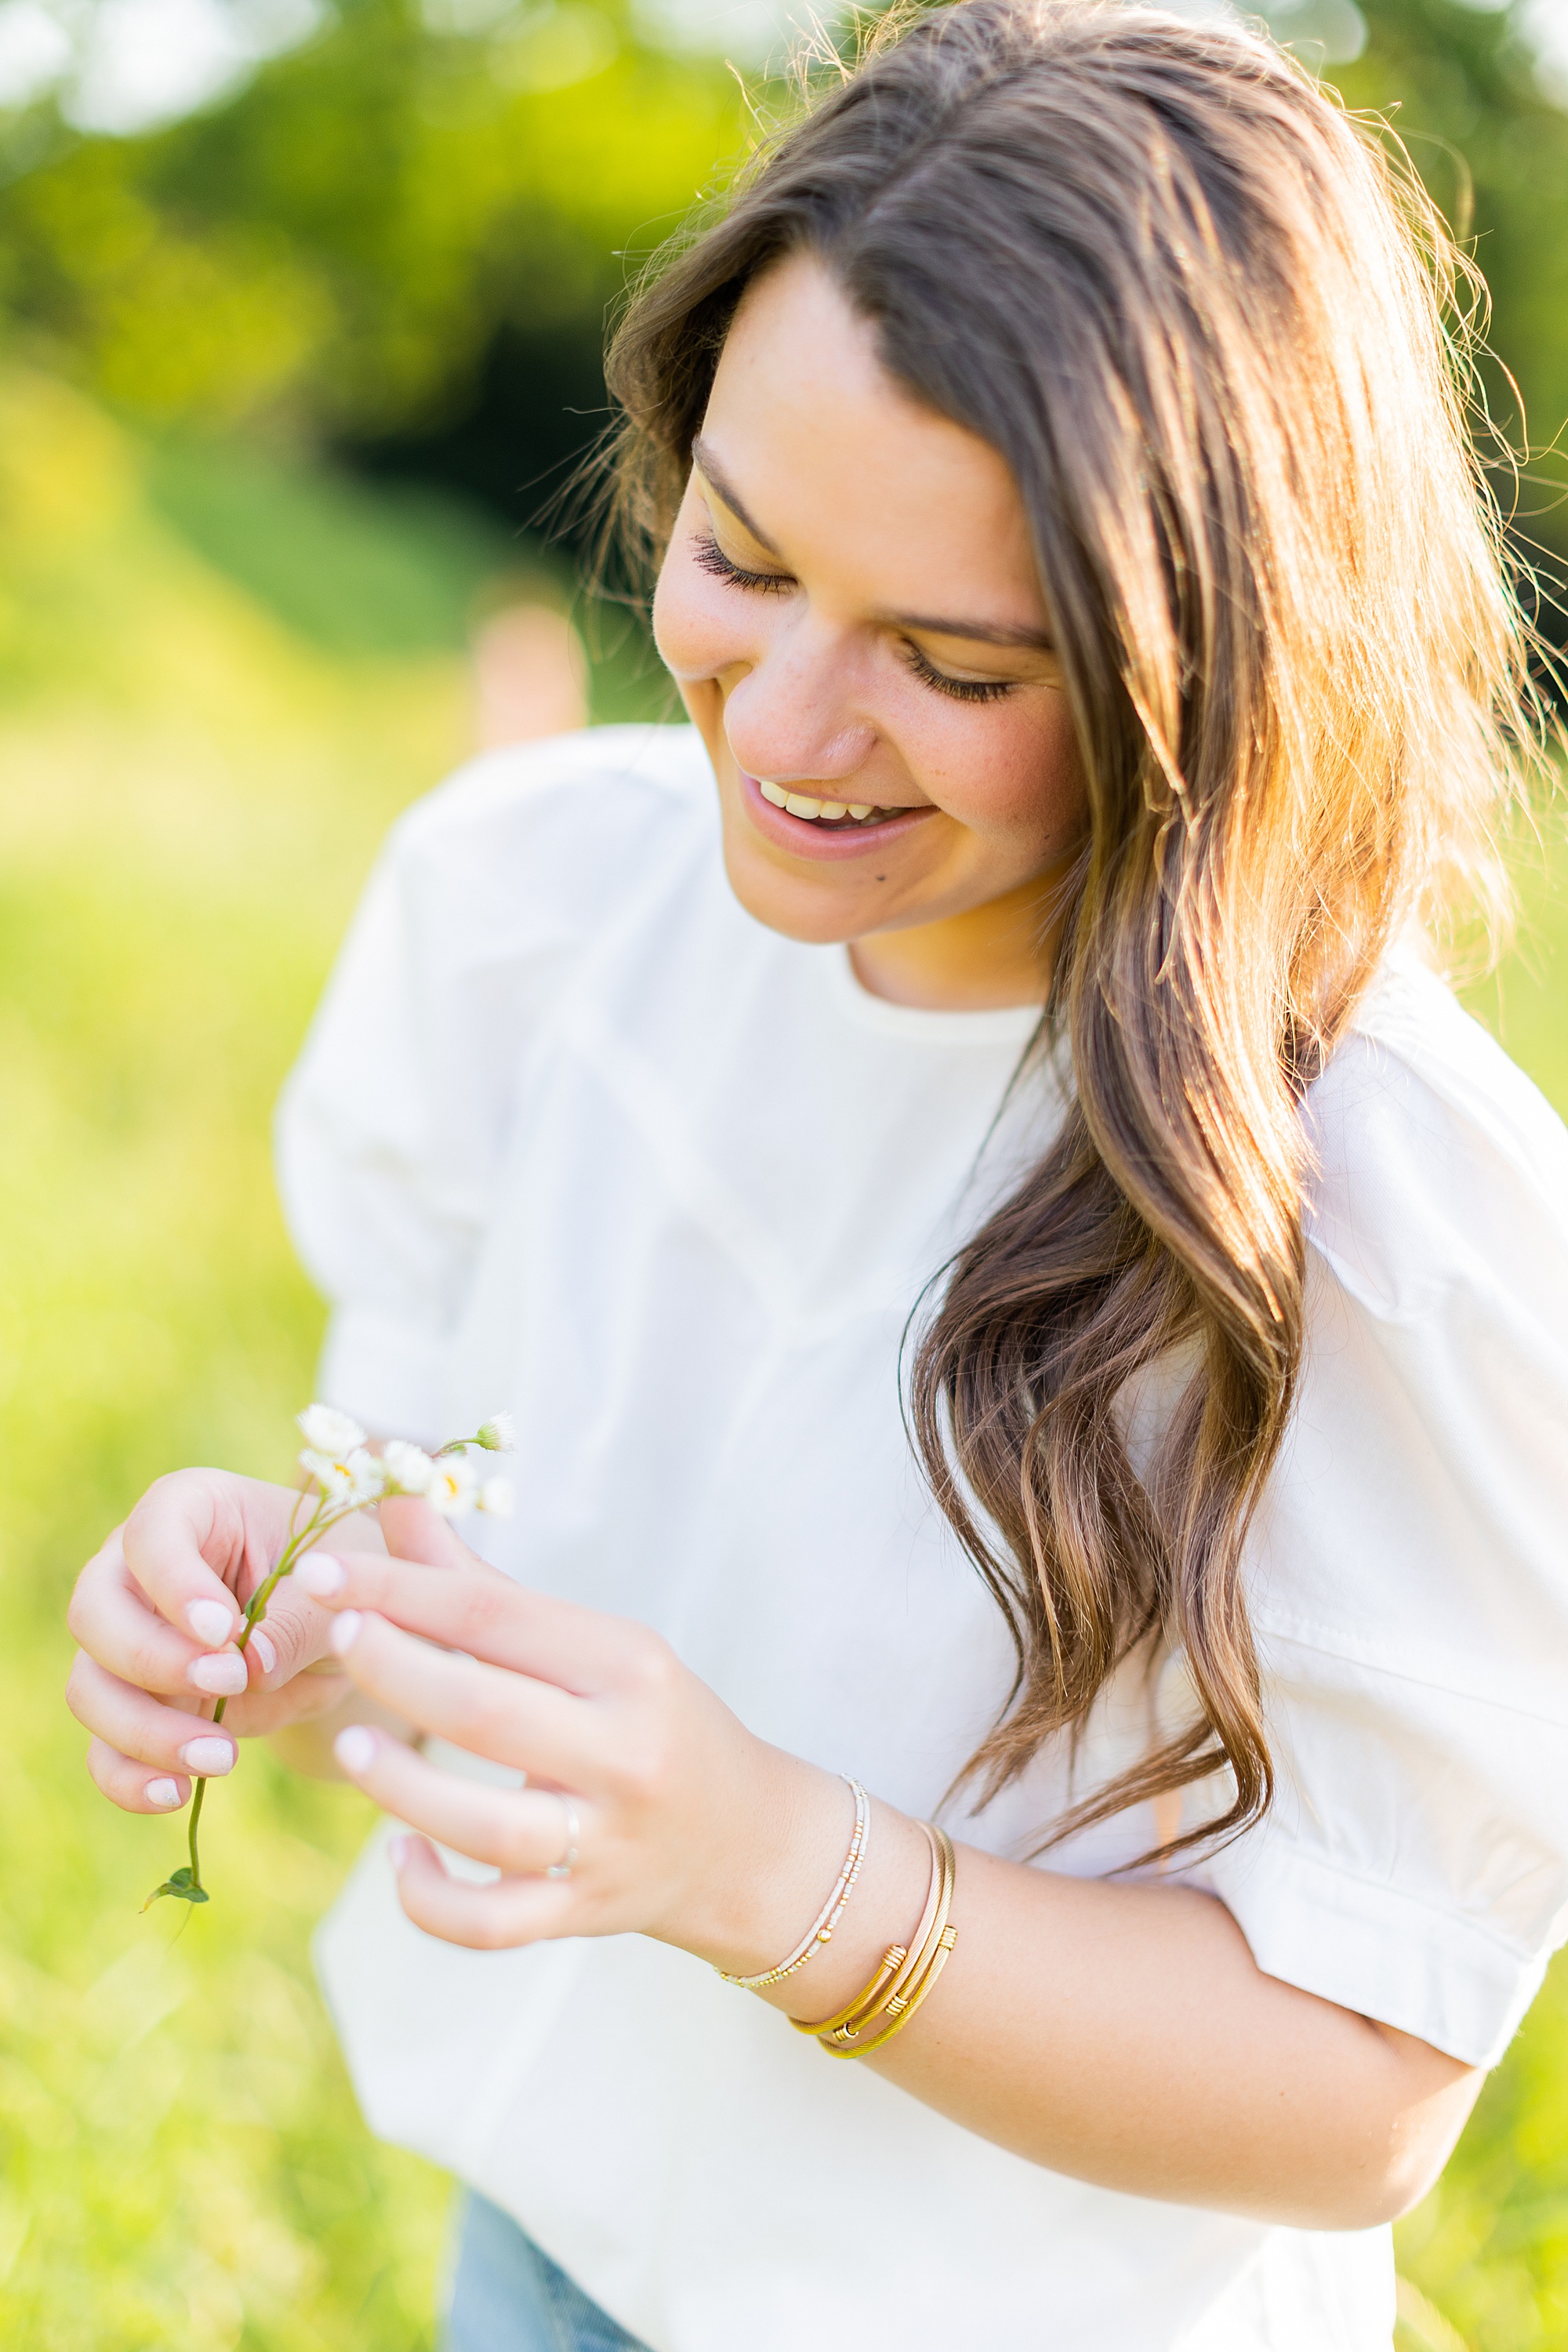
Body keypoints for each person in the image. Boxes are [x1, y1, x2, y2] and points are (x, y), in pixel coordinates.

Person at [64, 4, 1568, 2347]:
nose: (778, 727)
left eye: (952, 660)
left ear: (1216, 673)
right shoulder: (539, 910)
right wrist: (303, 1624)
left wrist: (770, 1864)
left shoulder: (1379, 1211)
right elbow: (479, 1639)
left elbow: (1366, 2084)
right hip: (556, 2259)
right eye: (742, 559)